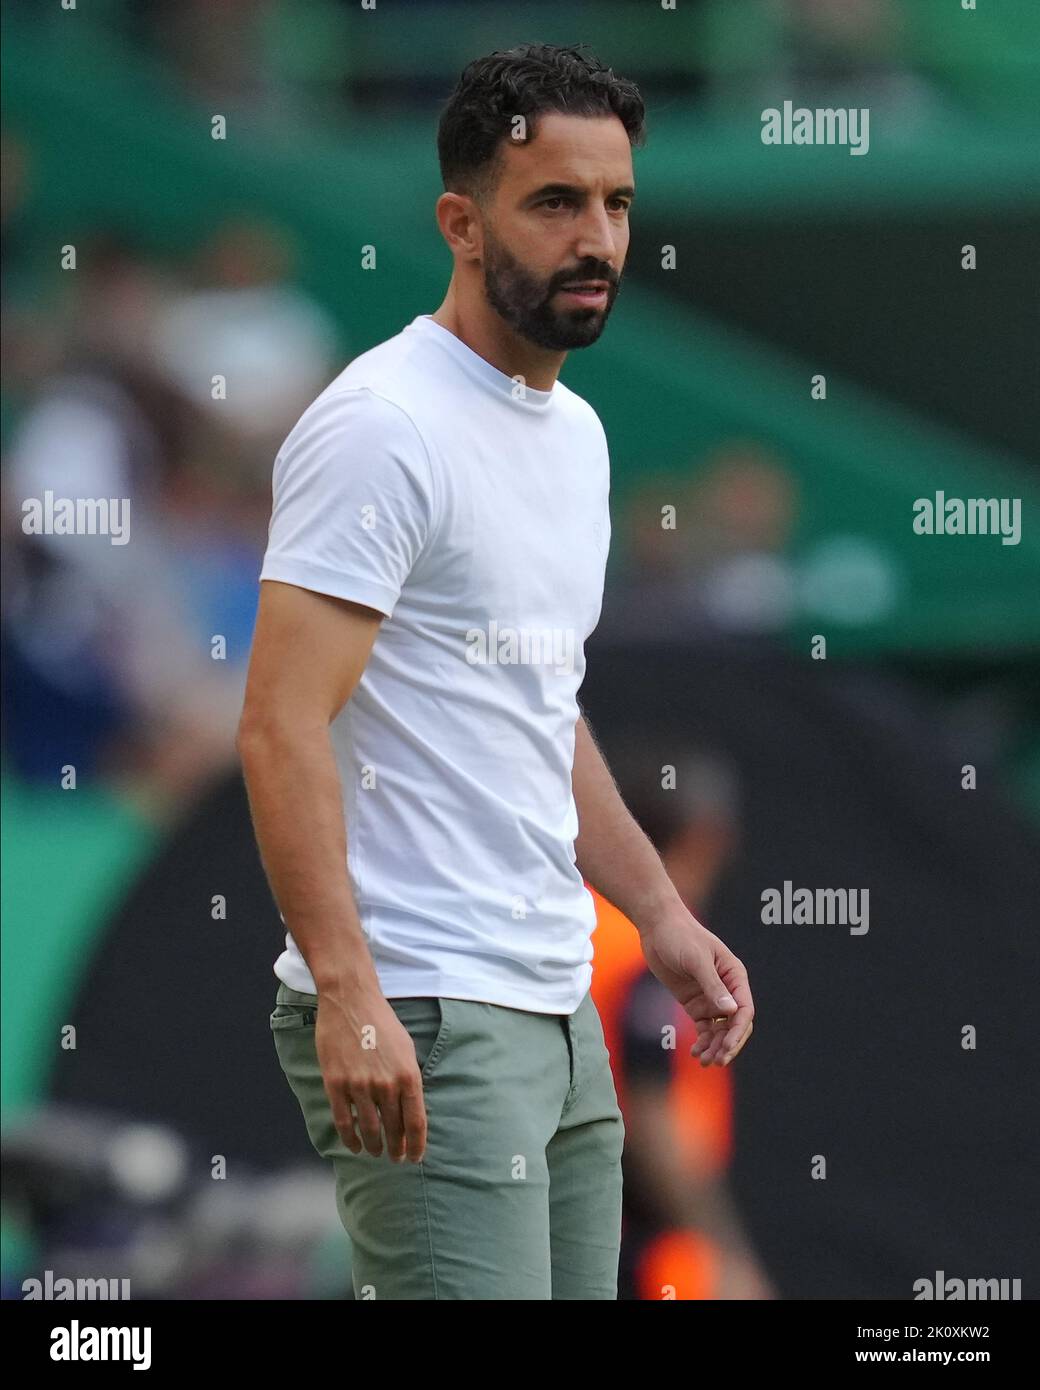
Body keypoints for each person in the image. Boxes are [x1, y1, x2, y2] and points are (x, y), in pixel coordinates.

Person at [238, 43, 754, 1301]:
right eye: (554, 203)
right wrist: (347, 994)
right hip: (420, 1004)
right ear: (460, 225)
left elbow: (534, 709)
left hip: (558, 1010)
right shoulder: (383, 427)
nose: (596, 238)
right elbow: (277, 726)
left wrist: (660, 915)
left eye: (616, 203)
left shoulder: (572, 434)